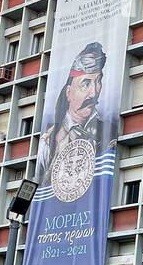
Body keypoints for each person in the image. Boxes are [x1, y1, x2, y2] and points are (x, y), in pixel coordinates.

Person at [38, 41, 112, 175]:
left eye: (98, 81)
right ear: (68, 92)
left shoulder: (108, 131)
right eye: (85, 84)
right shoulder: (49, 140)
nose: (94, 92)